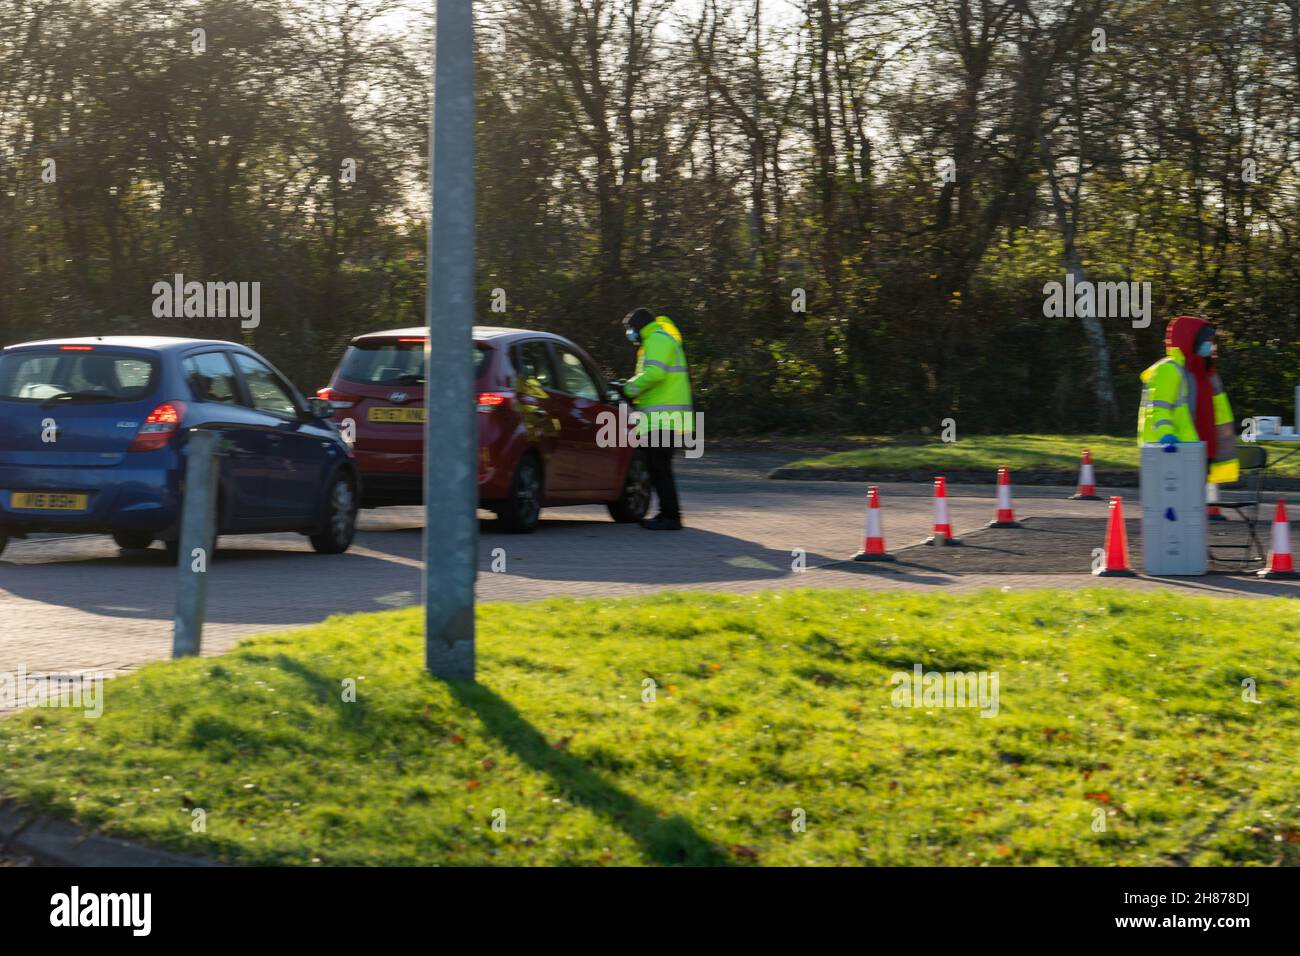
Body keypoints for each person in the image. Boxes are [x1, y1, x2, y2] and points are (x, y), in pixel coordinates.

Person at [1137, 315, 1239, 484]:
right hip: (1177, 448)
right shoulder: (1169, 369)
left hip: (1202, 450)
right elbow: (1158, 408)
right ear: (1190, 339)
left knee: (1194, 499)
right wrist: (1166, 435)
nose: (1210, 345)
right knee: (1179, 498)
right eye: (1206, 340)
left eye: (1211, 340)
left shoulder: (1208, 372)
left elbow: (1218, 412)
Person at [618, 307, 693, 530]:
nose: (630, 334)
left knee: (659, 467)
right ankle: (667, 514)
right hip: (661, 419)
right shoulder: (656, 339)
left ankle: (670, 517)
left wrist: (628, 389)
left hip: (664, 419)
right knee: (657, 467)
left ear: (639, 326)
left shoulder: (656, 340)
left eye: (630, 329)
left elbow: (654, 374)